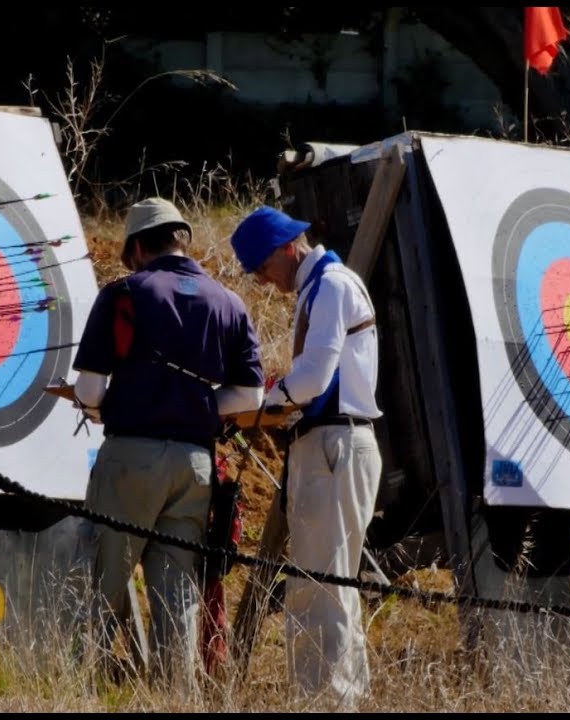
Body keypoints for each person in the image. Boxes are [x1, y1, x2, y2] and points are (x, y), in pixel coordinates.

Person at [72, 197, 264, 690]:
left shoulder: (124, 293)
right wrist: (195, 407)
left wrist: (101, 408)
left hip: (131, 459)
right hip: (196, 465)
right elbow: (249, 394)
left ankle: (74, 693)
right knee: (179, 599)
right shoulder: (229, 302)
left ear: (137, 246)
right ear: (183, 240)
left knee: (99, 586)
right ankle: (176, 697)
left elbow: (91, 390)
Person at [230, 205, 383, 705]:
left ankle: (324, 702)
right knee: (332, 589)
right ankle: (342, 699)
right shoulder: (320, 288)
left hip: (333, 444)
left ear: (285, 248)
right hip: (332, 444)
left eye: (261, 267)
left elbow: (315, 377)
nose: (262, 279)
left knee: (317, 591)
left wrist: (271, 401)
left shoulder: (333, 285)